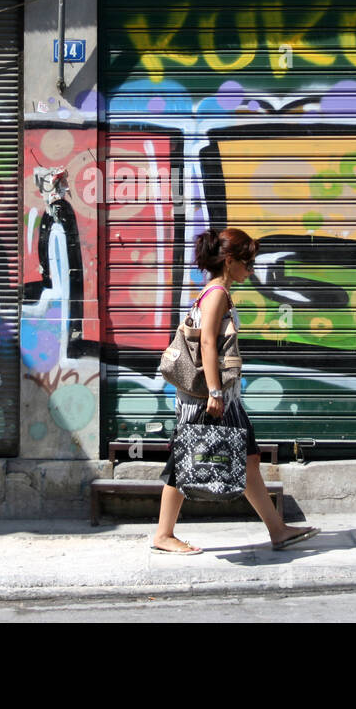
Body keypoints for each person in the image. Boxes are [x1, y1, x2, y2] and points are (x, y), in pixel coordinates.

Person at [150, 227, 321, 555]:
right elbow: (208, 342)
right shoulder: (216, 294)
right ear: (229, 261)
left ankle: (278, 530)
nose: (251, 269)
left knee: (249, 459)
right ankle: (163, 534)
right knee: (185, 458)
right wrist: (214, 392)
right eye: (247, 261)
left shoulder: (216, 292)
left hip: (224, 396)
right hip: (209, 398)